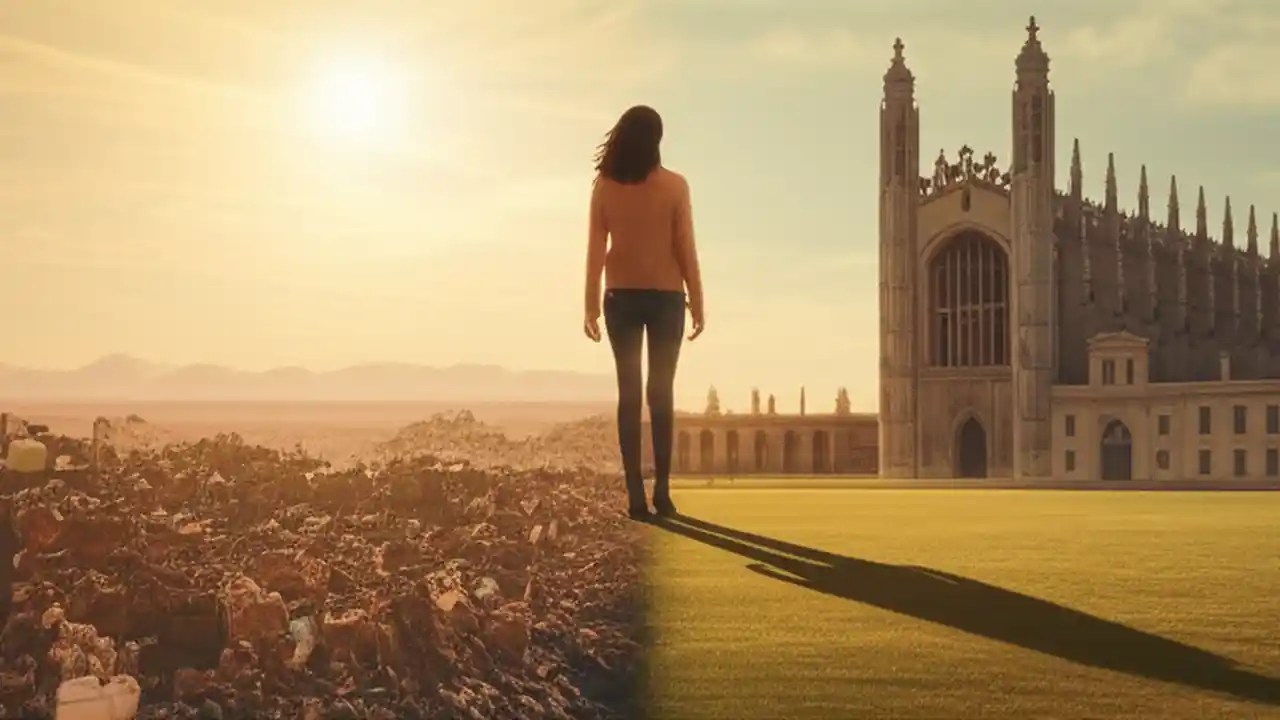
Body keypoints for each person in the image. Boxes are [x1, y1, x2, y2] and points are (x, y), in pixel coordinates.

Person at [583, 105, 704, 520]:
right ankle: (664, 492)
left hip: (620, 299)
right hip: (667, 299)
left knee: (630, 395)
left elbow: (596, 251)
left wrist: (588, 306)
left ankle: (636, 494)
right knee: (661, 394)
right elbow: (685, 247)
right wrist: (699, 300)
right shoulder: (675, 186)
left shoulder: (604, 186)